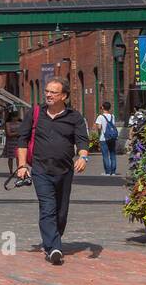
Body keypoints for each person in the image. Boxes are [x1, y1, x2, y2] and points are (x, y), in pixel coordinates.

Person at [15, 78, 90, 265]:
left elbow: (82, 140)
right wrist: (22, 165)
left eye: (53, 92)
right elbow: (22, 140)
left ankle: (53, 238)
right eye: (47, 91)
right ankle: (54, 247)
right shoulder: (35, 113)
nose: (48, 95)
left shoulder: (74, 117)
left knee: (61, 212)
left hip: (64, 171)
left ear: (63, 96)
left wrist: (83, 157)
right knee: (48, 208)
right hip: (40, 169)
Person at [95, 101, 119, 176]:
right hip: (112, 137)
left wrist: (99, 129)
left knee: (105, 155)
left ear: (102, 107)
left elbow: (99, 127)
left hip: (104, 138)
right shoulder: (112, 116)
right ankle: (113, 172)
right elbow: (113, 125)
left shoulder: (100, 117)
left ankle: (107, 172)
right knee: (112, 154)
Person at [3, 109, 22, 175]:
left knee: (18, 157)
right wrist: (18, 133)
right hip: (10, 143)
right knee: (11, 158)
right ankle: (11, 171)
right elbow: (8, 134)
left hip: (18, 142)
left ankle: (18, 170)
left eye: (17, 116)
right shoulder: (8, 123)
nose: (17, 118)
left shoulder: (20, 123)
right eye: (16, 116)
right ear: (12, 117)